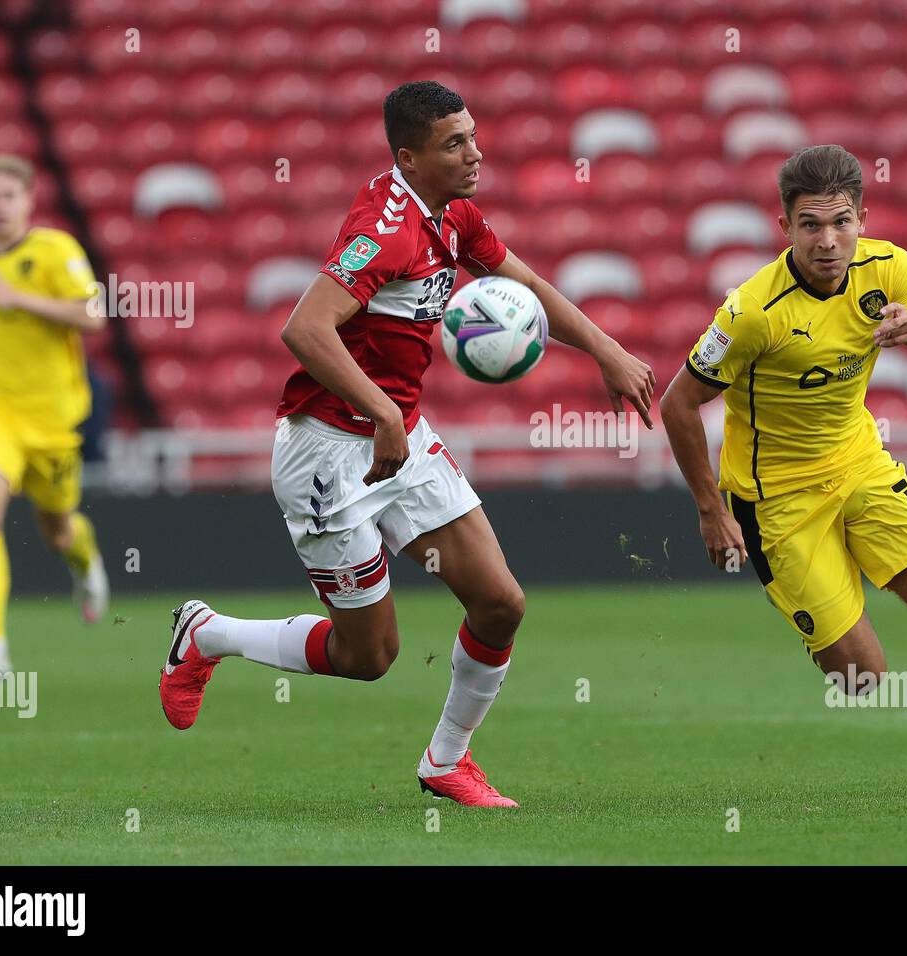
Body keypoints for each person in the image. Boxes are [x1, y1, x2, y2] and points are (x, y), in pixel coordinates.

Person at [159, 81, 655, 807]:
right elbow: (304, 328)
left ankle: (446, 762)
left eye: (473, 136)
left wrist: (606, 350)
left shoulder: (454, 215)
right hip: (327, 451)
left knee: (500, 603)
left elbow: (526, 281)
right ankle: (208, 634)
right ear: (409, 157)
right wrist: (380, 414)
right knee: (370, 657)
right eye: (455, 144)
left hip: (400, 435)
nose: (474, 153)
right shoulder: (385, 230)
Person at [660, 144, 907, 793]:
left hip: (859, 466)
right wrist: (711, 508)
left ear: (862, 218)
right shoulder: (752, 310)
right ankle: (826, 583)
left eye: (841, 221)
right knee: (862, 679)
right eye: (810, 224)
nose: (828, 240)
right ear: (784, 227)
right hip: (776, 498)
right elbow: (678, 403)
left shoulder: (893, 270)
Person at [0, 153, 109, 675]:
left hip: (53, 418)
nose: (0, 206)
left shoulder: (55, 250)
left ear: (29, 200)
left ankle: (84, 559)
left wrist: (21, 299)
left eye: (9, 196)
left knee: (57, 527)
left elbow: (93, 316)